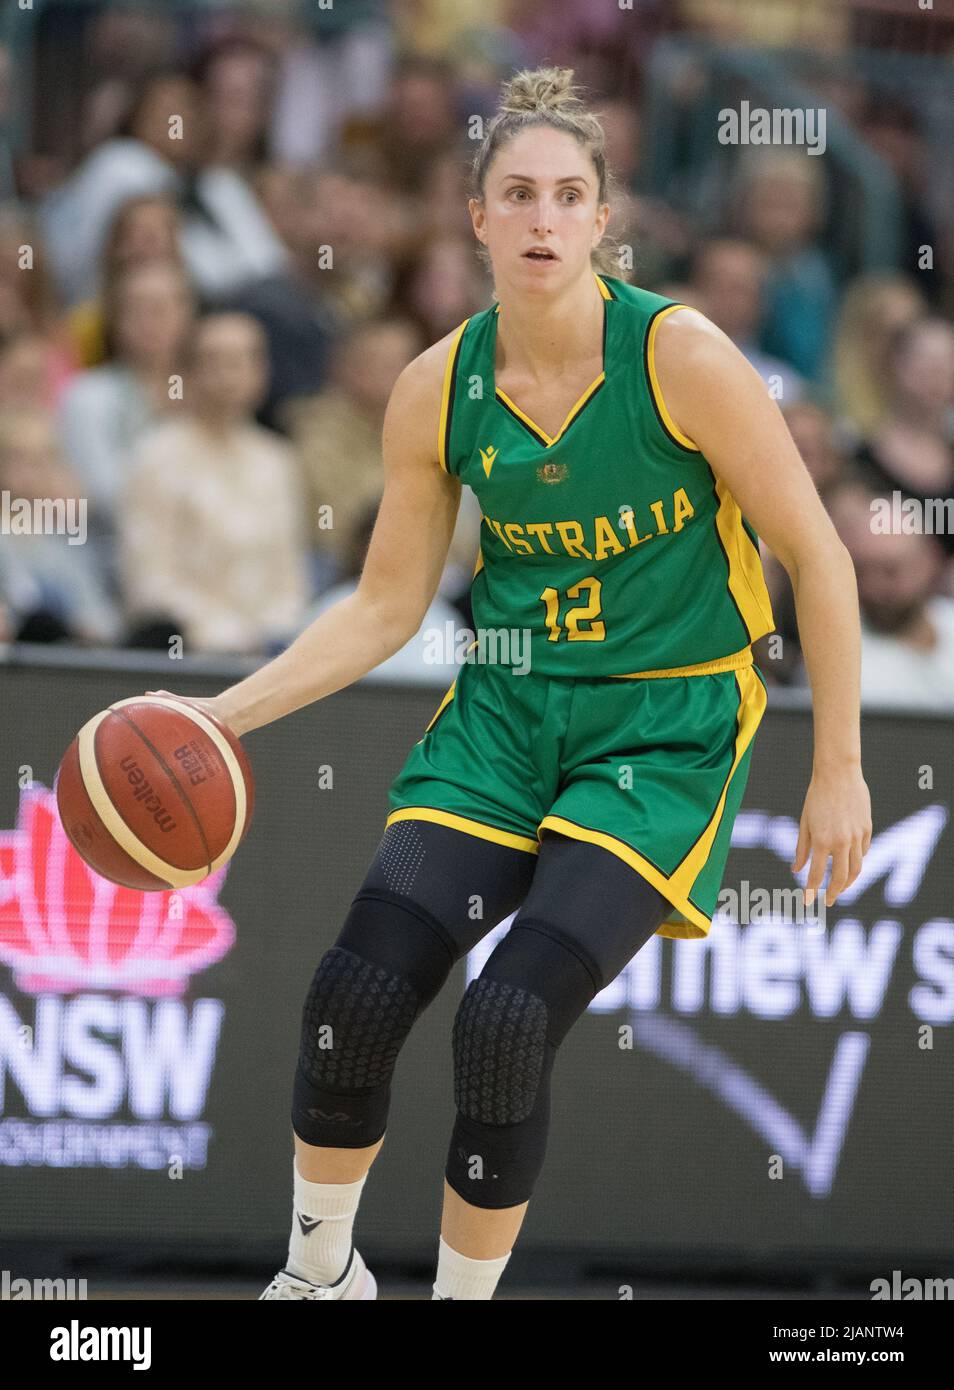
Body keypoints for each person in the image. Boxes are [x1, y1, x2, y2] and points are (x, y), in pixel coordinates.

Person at [144, 66, 872, 1301]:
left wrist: (841, 764)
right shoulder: (439, 385)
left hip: (667, 723)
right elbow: (383, 606)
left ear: (602, 221)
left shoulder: (680, 356)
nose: (543, 217)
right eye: (518, 193)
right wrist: (214, 715)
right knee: (356, 986)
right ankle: (320, 1273)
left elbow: (818, 551)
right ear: (475, 218)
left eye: (569, 195)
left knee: (507, 1022)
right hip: (507, 708)